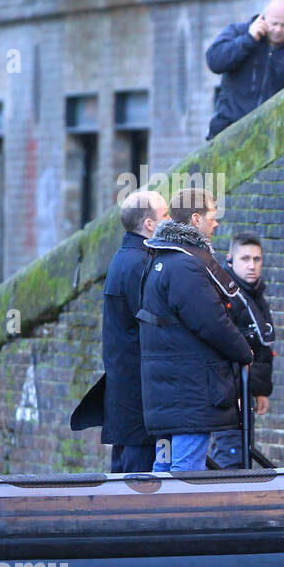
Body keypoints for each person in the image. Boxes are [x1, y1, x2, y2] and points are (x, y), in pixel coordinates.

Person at [139, 187, 253, 472]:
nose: (216, 223)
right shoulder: (186, 266)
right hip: (190, 394)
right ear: (195, 219)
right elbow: (211, 322)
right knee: (186, 474)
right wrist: (245, 352)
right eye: (212, 216)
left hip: (170, 393)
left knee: (164, 472)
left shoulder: (162, 258)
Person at [100, 190, 170, 473]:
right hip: (140, 399)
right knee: (138, 482)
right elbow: (155, 327)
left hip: (127, 397)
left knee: (124, 477)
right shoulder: (142, 264)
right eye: (165, 215)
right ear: (150, 224)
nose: (170, 221)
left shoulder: (125, 258)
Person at [210, 231, 277, 469]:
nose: (252, 266)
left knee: (242, 450)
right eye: (245, 259)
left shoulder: (254, 295)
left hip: (245, 390)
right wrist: (236, 390)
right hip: (230, 392)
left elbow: (261, 346)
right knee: (231, 455)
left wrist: (260, 390)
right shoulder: (224, 295)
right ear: (230, 260)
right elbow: (226, 346)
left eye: (257, 259)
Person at [205, 0, 284, 139]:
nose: (278, 30)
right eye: (274, 24)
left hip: (270, 136)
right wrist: (248, 40)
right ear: (263, 18)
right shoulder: (238, 32)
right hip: (228, 131)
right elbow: (214, 62)